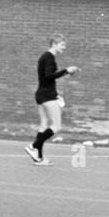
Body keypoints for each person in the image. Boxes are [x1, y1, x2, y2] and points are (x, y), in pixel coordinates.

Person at [25, 34, 78, 166]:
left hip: (42, 94)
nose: (64, 48)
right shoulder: (49, 58)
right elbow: (49, 76)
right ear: (54, 43)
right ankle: (34, 146)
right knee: (56, 126)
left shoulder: (45, 57)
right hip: (47, 96)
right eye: (62, 45)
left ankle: (39, 158)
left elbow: (45, 79)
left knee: (44, 125)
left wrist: (56, 94)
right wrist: (66, 70)